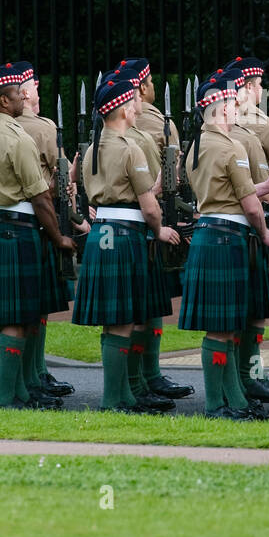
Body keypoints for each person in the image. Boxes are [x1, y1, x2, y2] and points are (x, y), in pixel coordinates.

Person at [0, 64, 75, 410]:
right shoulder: (16, 137)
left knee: (21, 316)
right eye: (17, 92)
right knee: (17, 318)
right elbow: (41, 197)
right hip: (19, 229)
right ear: (4, 100)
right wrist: (59, 238)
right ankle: (5, 397)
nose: (22, 96)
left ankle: (21, 392)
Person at [180, 73, 269, 419]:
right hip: (229, 236)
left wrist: (264, 186)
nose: (236, 108)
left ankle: (233, 400)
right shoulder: (232, 146)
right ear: (220, 109)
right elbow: (248, 205)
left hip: (209, 231)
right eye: (231, 104)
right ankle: (217, 404)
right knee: (223, 327)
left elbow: (228, 192)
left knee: (223, 325)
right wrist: (267, 232)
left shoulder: (195, 147)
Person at [73, 74, 180, 412]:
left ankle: (122, 395)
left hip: (103, 231)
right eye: (132, 102)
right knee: (123, 319)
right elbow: (147, 205)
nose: (137, 107)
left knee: (114, 319)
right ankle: (114, 399)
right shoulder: (129, 147)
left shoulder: (91, 148)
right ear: (120, 108)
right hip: (125, 233)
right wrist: (160, 228)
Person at [219, 59, 269, 405]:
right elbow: (268, 182)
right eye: (259, 84)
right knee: (250, 309)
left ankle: (246, 377)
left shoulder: (233, 130)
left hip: (242, 225)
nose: (262, 91)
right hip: (250, 226)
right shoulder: (256, 128)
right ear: (247, 86)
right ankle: (249, 377)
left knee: (246, 309)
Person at [127, 57, 195, 400]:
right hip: (152, 215)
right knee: (145, 307)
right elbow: (175, 174)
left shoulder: (107, 126)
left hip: (132, 219)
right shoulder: (158, 123)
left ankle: (142, 379)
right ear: (141, 87)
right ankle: (143, 379)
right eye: (150, 81)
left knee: (141, 306)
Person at [14, 61, 78, 401]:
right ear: (25, 92)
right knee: (34, 306)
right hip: (43, 218)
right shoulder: (42, 128)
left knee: (33, 306)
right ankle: (32, 376)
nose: (38, 88)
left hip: (25, 219)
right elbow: (61, 177)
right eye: (34, 85)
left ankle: (36, 371)